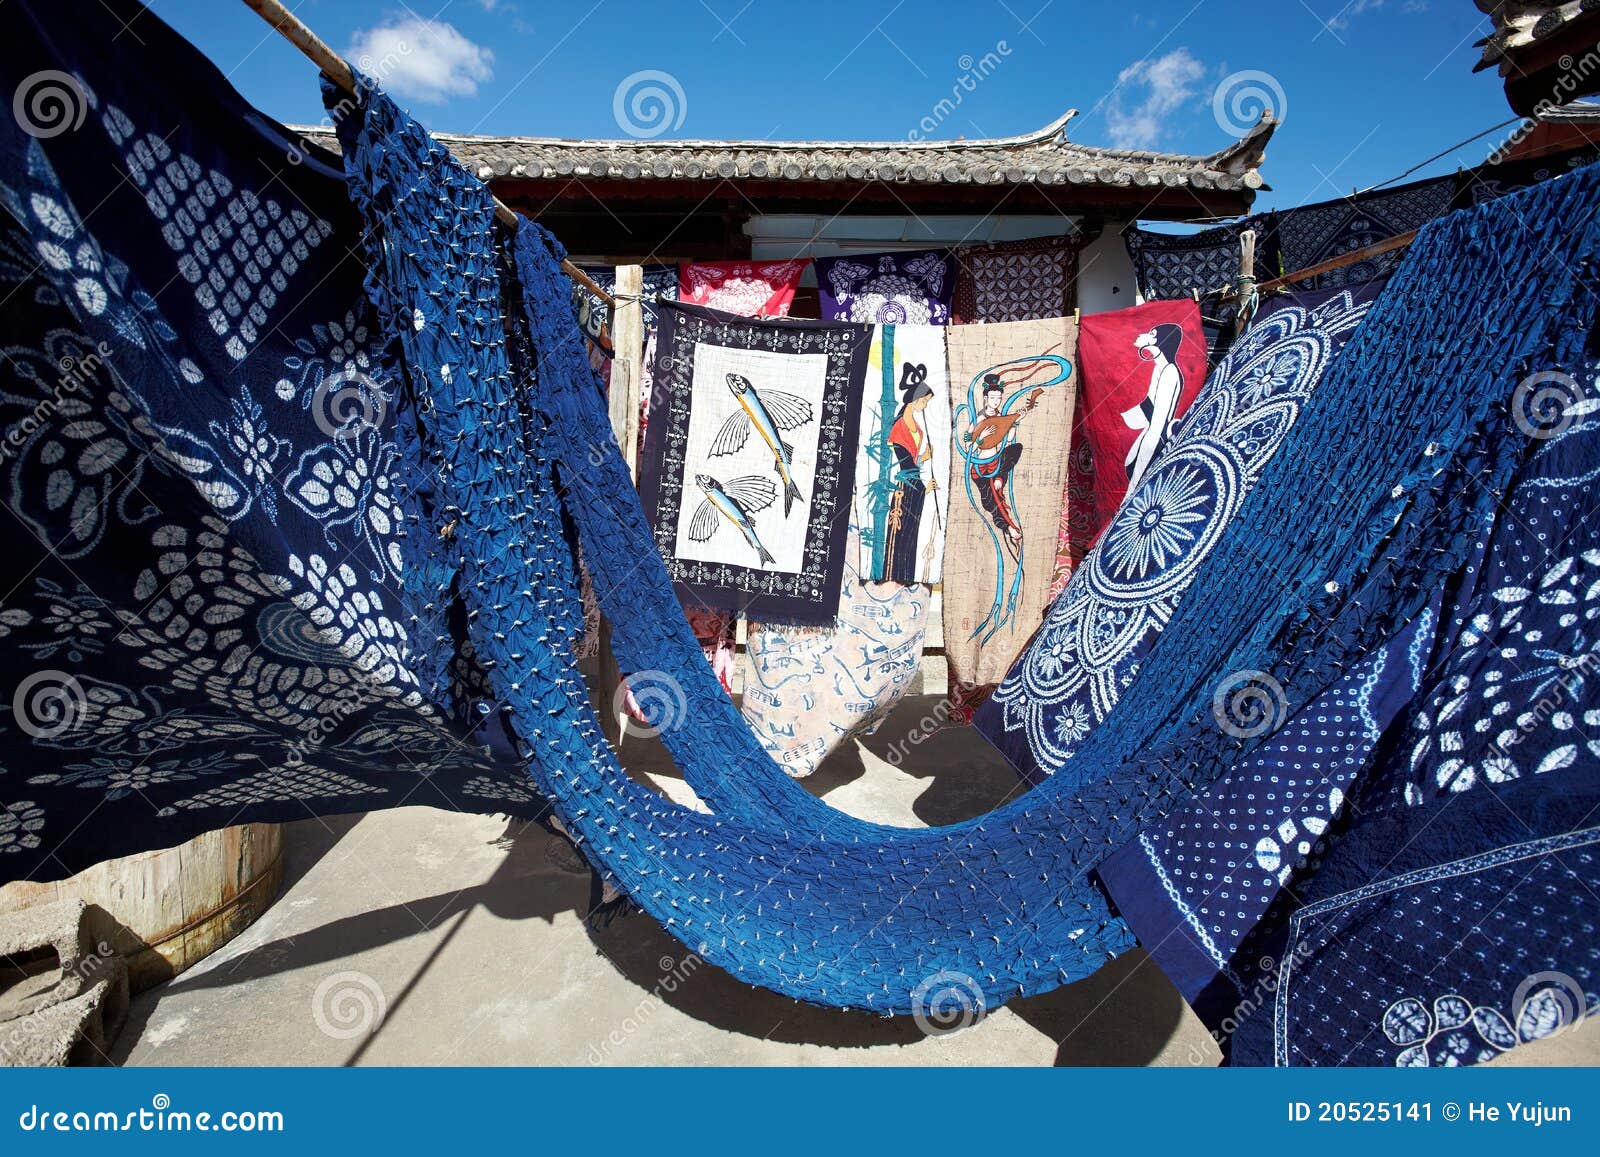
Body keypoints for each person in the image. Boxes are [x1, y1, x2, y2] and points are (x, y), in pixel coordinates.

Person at [1122, 322, 1187, 492]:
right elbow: (1148, 409)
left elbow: (1158, 423)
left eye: (1152, 334)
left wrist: (1136, 479)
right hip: (1149, 435)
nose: (1143, 335)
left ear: (1160, 341)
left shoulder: (1169, 372)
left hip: (1154, 440)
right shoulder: (1161, 369)